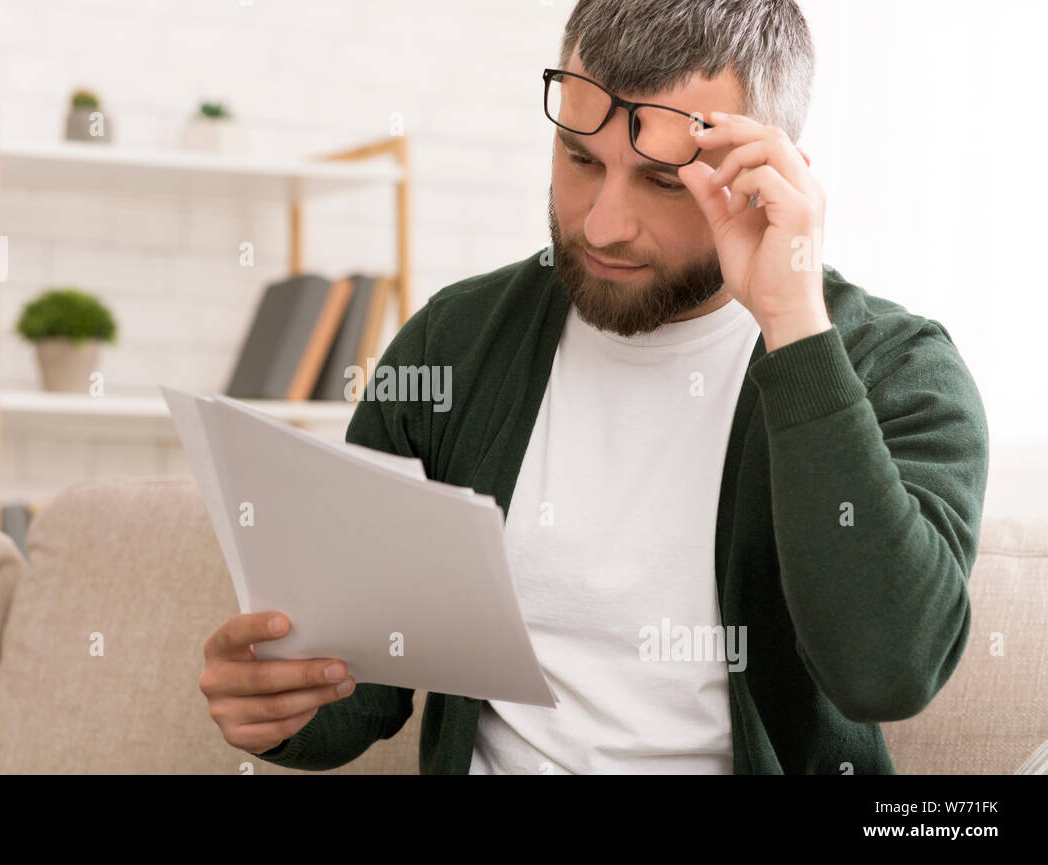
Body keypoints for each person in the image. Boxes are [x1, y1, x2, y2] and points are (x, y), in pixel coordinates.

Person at [198, 0, 989, 774]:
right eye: (581, 160)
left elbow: (888, 670)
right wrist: (282, 705)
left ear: (767, 174)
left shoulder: (898, 371)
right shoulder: (454, 346)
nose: (604, 224)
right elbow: (368, 679)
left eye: (663, 182)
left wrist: (794, 323)